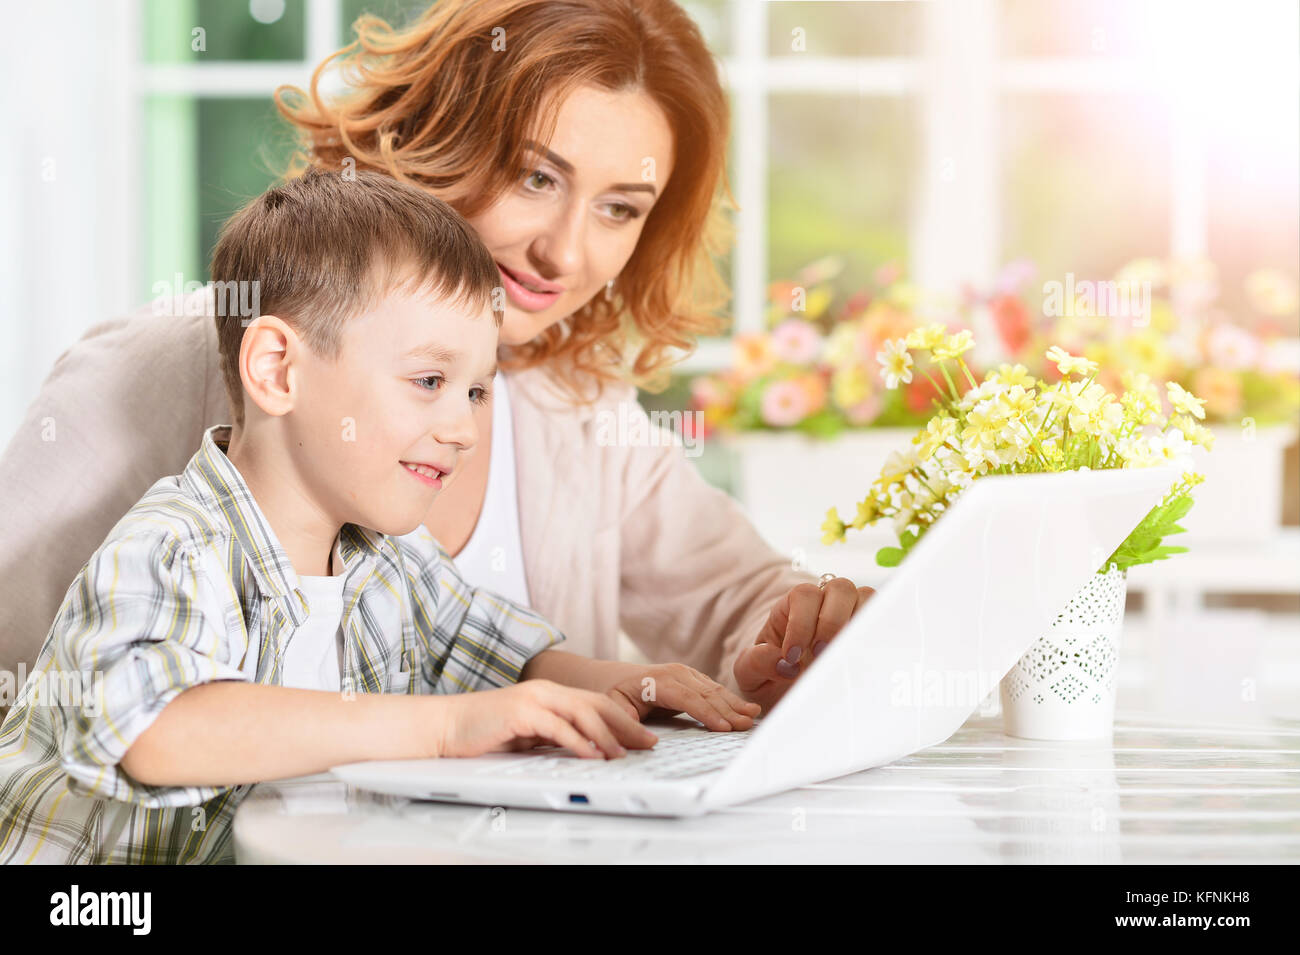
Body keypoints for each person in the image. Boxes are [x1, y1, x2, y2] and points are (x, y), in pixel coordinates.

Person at [0, 0, 874, 726]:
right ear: (436, 135)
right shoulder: (168, 366)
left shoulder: (573, 408)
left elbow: (733, 599)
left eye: (618, 208)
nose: (561, 253)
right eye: (536, 177)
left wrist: (799, 631)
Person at [0, 169, 761, 864]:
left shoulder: (390, 560)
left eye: (475, 391)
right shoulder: (172, 545)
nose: (463, 427)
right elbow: (155, 730)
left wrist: (618, 684)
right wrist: (447, 726)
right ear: (277, 369)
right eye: (429, 379)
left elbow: (502, 649)